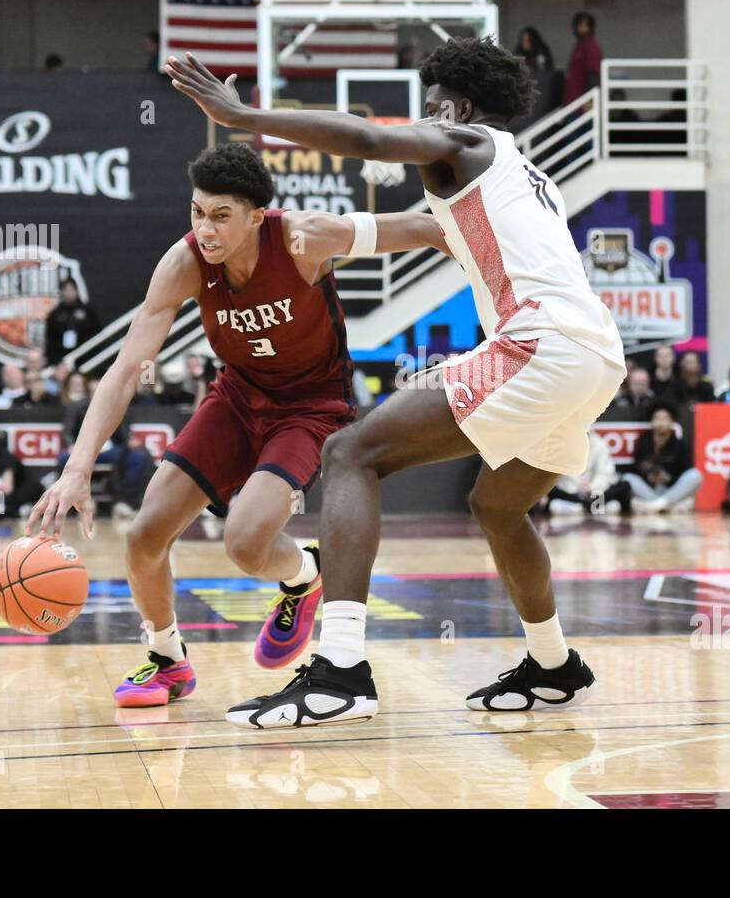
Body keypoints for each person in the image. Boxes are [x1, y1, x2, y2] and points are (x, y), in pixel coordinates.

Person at [166, 37, 626, 725]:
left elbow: (365, 139)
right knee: (500, 506)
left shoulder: (466, 139)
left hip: (542, 343)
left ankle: (341, 671)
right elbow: (409, 229)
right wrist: (337, 232)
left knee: (351, 452)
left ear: (462, 106)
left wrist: (244, 115)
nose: (425, 117)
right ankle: (555, 664)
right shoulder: (525, 177)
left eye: (433, 104)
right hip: (596, 356)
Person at [25, 139, 450, 710]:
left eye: (222, 217)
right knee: (144, 535)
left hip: (311, 407)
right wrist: (77, 469)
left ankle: (304, 575)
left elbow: (420, 228)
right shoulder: (184, 263)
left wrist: (508, 265)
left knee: (245, 542)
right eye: (198, 212)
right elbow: (127, 368)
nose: (206, 229)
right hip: (236, 398)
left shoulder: (304, 237)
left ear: (257, 216)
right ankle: (166, 659)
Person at [623, 403, 701, 513]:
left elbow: (685, 472)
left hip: (671, 489)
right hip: (650, 490)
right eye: (657, 418)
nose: (661, 423)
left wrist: (668, 478)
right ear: (652, 421)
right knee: (627, 478)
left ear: (672, 422)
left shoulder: (680, 445)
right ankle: (667, 507)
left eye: (665, 418)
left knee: (695, 475)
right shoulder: (644, 442)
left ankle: (656, 506)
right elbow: (636, 467)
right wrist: (648, 475)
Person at [543, 431, 631, 516]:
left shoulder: (599, 444)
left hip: (596, 493)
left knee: (621, 492)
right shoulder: (564, 445)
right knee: (554, 501)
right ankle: (587, 504)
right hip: (572, 494)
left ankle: (589, 504)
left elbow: (605, 473)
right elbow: (563, 472)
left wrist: (592, 486)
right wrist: (578, 486)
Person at [44, 279, 101, 367]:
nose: (69, 293)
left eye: (71, 290)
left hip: (86, 356)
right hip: (62, 358)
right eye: (66, 290)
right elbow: (51, 338)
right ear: (61, 292)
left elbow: (97, 332)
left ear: (77, 291)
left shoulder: (88, 311)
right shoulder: (55, 314)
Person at [562, 12, 603, 105]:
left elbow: (593, 73)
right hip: (573, 98)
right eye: (579, 24)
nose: (581, 28)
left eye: (585, 25)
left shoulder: (591, 46)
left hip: (582, 102)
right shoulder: (579, 45)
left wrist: (589, 99)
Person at [662, 350, 715, 416]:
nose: (690, 366)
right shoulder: (673, 387)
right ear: (681, 365)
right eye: (688, 362)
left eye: (693, 362)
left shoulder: (707, 387)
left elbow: (712, 410)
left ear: (699, 365)